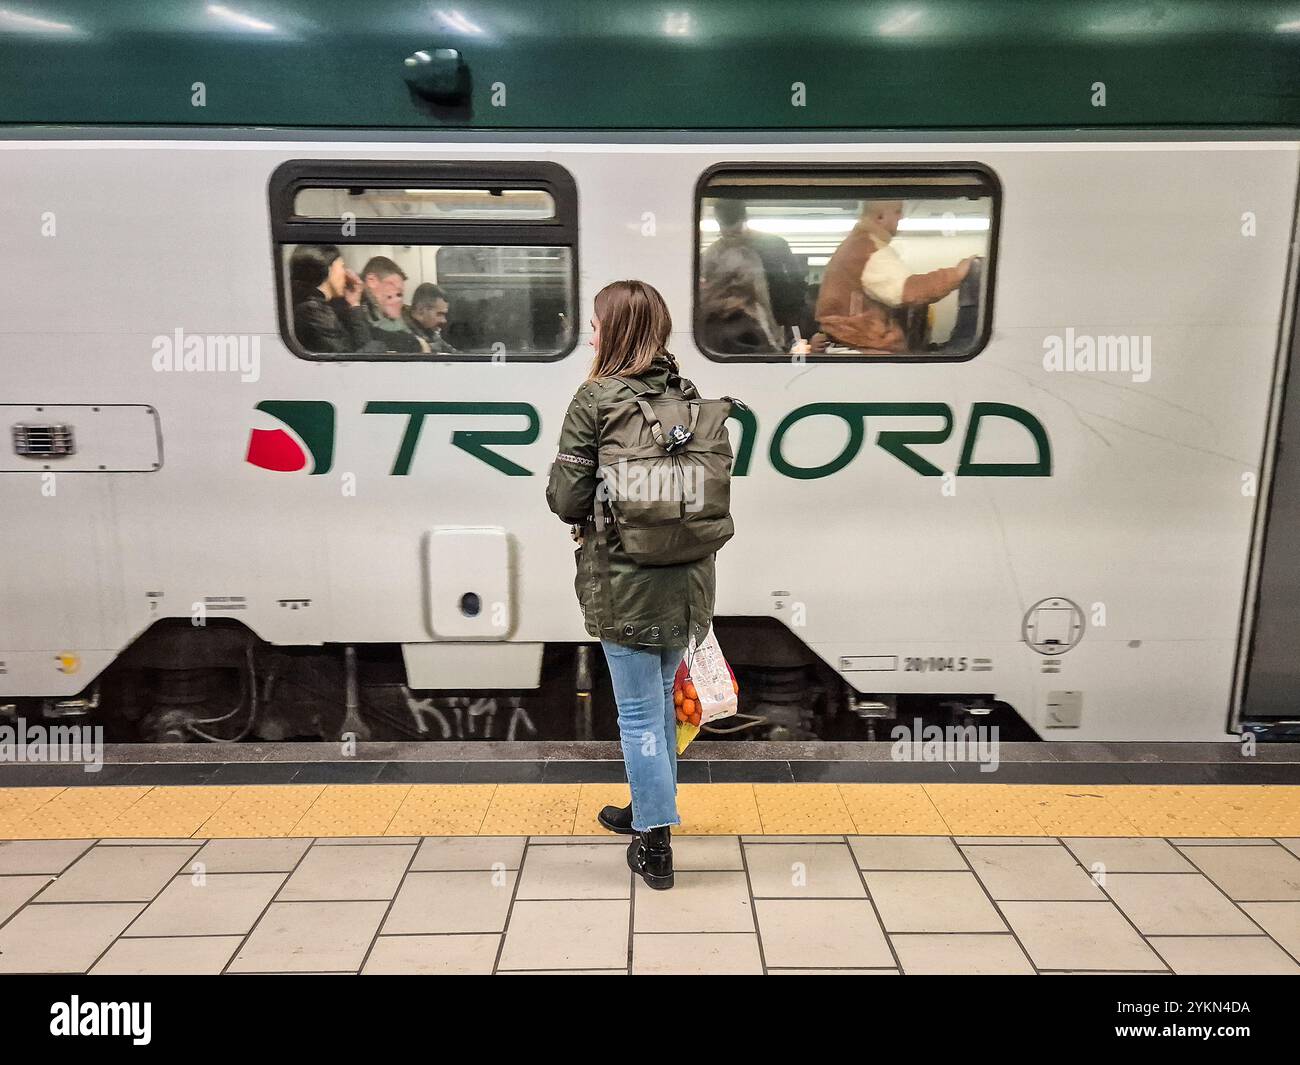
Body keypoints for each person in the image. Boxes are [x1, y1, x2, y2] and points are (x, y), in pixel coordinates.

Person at [545, 280, 717, 891]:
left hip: (627, 582)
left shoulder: (596, 399)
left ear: (614, 331)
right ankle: (646, 809)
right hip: (691, 578)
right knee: (662, 708)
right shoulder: (688, 397)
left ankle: (654, 843)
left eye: (595, 325)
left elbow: (566, 498)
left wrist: (594, 494)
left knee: (641, 715)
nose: (590, 335)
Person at [813, 199, 974, 353]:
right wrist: (955, 274)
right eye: (897, 212)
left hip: (848, 341)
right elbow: (906, 291)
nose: (900, 217)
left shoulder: (855, 245)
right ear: (880, 217)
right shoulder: (867, 249)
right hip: (860, 343)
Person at [703, 199, 806, 341]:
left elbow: (795, 290)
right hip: (732, 330)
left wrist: (791, 329)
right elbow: (706, 296)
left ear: (744, 219)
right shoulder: (713, 255)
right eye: (724, 227)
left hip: (774, 326)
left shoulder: (775, 247)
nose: (729, 233)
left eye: (736, 230)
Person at [288, 244, 371, 355]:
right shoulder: (312, 311)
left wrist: (354, 303)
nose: (345, 273)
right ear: (327, 269)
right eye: (342, 266)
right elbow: (351, 355)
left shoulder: (316, 306)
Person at [359, 255, 427, 354]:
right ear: (372, 281)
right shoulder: (355, 307)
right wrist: (417, 343)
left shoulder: (382, 309)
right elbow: (373, 334)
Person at [406, 282, 459, 354]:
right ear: (420, 310)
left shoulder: (430, 332)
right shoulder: (404, 337)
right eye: (439, 314)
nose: (444, 320)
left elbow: (455, 355)